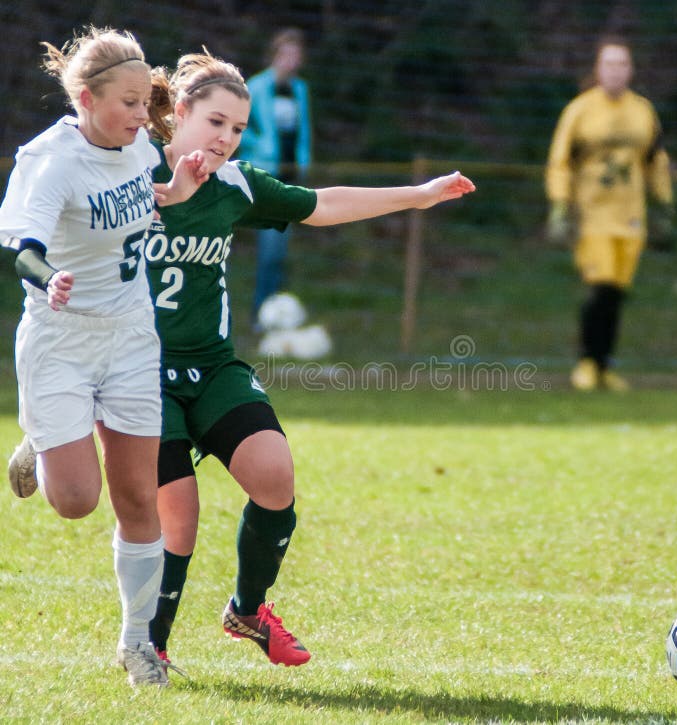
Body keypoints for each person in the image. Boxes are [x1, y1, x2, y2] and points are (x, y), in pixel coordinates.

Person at [143, 49, 475, 668]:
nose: (226, 139)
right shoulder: (128, 175)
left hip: (212, 366)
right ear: (179, 113)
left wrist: (420, 195)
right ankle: (149, 647)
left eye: (238, 129)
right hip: (137, 374)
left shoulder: (237, 186)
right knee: (178, 516)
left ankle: (246, 610)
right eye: (215, 122)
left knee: (274, 477)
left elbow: (323, 203)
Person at [1, 27, 208, 687]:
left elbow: (152, 196)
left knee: (136, 496)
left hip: (130, 336)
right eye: (128, 103)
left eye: (145, 103)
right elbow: (22, 246)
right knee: (75, 500)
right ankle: (44, 432)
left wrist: (179, 186)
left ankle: (137, 643)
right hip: (60, 340)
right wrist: (46, 275)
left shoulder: (138, 143)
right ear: (86, 98)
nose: (142, 116)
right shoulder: (51, 160)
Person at [545, 36, 674, 392]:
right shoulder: (580, 111)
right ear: (598, 69)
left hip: (631, 216)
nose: (615, 71)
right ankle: (587, 362)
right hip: (592, 215)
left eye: (622, 64)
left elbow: (655, 162)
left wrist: (663, 205)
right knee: (599, 288)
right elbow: (561, 162)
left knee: (616, 293)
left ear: (630, 70)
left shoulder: (643, 112)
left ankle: (605, 366)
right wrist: (559, 205)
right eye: (609, 64)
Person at [237, 28, 312, 330]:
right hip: (264, 175)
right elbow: (240, 128)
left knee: (280, 254)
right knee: (270, 252)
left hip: (291, 178)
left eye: (296, 55)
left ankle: (275, 315)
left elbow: (303, 129)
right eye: (286, 54)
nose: (291, 61)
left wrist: (305, 160)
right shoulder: (256, 87)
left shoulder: (300, 90)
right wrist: (261, 147)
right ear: (275, 55)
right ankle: (260, 315)